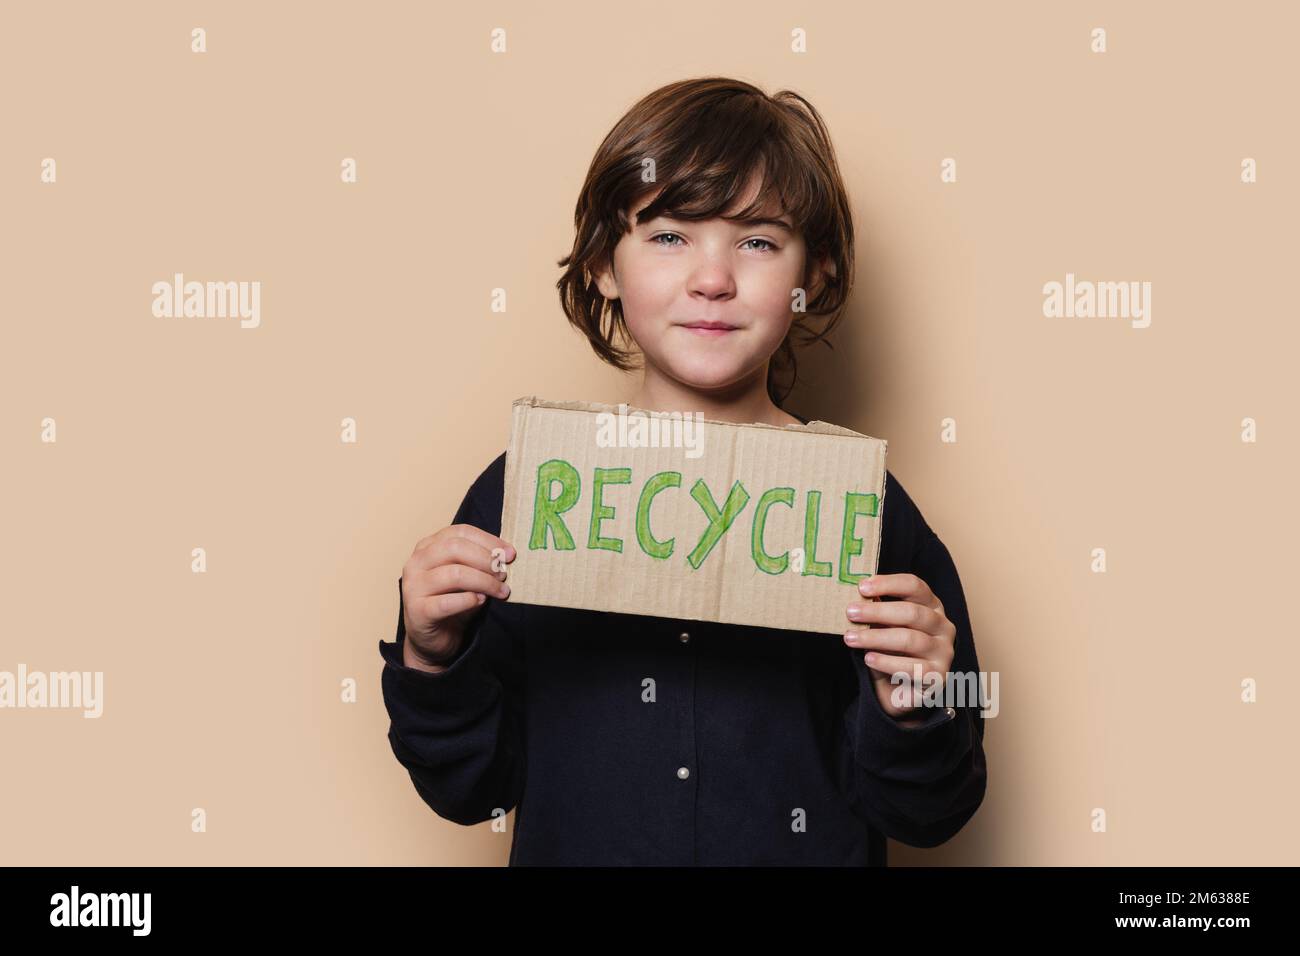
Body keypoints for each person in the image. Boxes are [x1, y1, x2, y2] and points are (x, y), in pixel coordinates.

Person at [379, 76, 987, 865]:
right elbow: (472, 791)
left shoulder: (868, 512)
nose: (713, 279)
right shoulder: (525, 493)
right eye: (670, 236)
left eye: (759, 242)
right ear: (604, 265)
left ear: (819, 276)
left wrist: (918, 710)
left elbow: (931, 812)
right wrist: (432, 660)